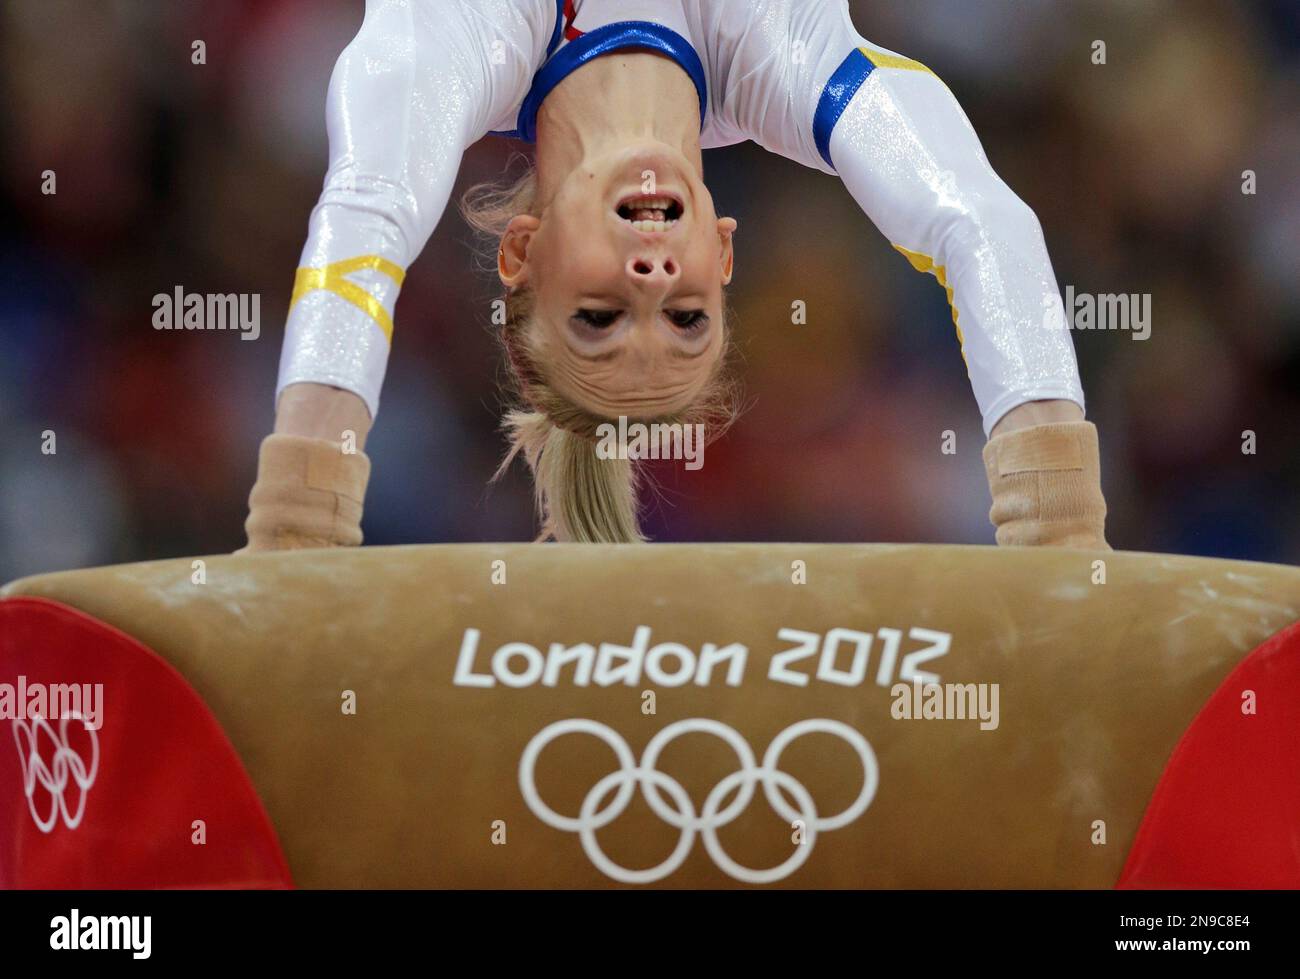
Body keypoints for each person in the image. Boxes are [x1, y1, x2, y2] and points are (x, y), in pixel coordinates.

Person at [242, 0, 1108, 549]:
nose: (651, 278)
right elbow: (985, 223)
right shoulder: (780, 46)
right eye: (687, 315)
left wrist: (298, 521)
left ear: (524, 254)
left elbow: (368, 212)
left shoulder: (463, 33)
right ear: (722, 256)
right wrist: (1060, 533)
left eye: (599, 315)